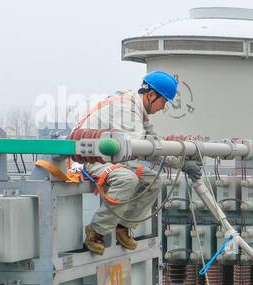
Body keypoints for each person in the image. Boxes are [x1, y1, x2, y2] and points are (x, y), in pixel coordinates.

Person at [71, 71, 198, 255]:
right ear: (152, 95)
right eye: (164, 102)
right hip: (89, 159)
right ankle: (96, 232)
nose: (163, 108)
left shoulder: (137, 110)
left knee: (154, 180)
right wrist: (182, 165)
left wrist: (181, 162)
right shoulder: (126, 108)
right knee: (127, 179)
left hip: (108, 158)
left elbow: (153, 142)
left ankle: (123, 227)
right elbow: (143, 147)